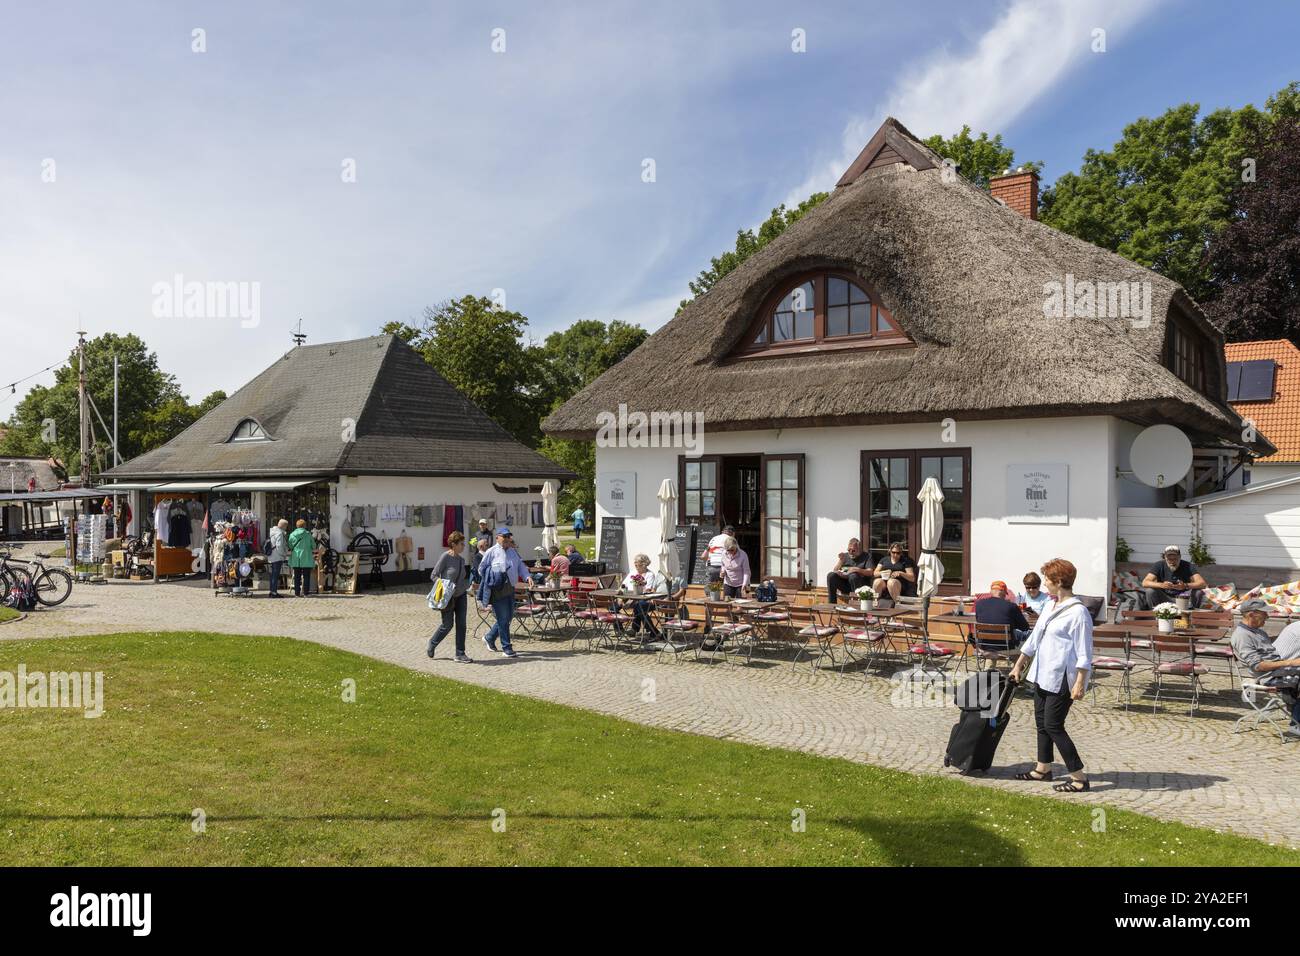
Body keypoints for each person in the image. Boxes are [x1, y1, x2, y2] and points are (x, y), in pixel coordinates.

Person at [1009, 558, 1092, 793]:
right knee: (1041, 724)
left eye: (1047, 579)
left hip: (1062, 678)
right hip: (1042, 674)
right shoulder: (1049, 605)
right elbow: (1034, 639)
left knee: (1054, 726)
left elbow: (1085, 652)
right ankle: (1042, 769)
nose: (1044, 582)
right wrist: (1018, 666)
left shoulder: (1079, 613)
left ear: (1059, 581)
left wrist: (1080, 683)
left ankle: (1079, 778)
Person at [1230, 598, 1300, 735]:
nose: (1267, 616)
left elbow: (1267, 650)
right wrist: (1291, 662)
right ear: (1251, 614)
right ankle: (1296, 722)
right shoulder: (1242, 636)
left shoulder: (1258, 631)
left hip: (1279, 671)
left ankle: (1294, 710)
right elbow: (1258, 666)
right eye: (1264, 613)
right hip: (1268, 677)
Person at [476, 526, 531, 658]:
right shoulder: (492, 551)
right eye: (504, 536)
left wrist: (527, 577)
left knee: (508, 617)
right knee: (503, 618)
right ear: (497, 538)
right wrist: (492, 575)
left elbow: (521, 566)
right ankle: (507, 648)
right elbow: (481, 569)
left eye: (508, 536)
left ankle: (489, 637)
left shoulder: (513, 552)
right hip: (497, 589)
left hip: (510, 588)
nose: (507, 539)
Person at [427, 531, 474, 663]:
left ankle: (460, 653)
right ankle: (433, 642)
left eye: (464, 544)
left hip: (461, 596)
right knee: (447, 625)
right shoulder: (445, 557)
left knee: (462, 625)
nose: (463, 546)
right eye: (461, 544)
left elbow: (462, 578)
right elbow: (434, 575)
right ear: (453, 544)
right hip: (447, 597)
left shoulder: (461, 560)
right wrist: (444, 585)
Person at [618, 553, 669, 642]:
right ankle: (619, 629)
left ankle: (646, 631)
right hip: (627, 597)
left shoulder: (650, 575)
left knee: (639, 606)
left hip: (642, 599)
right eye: (635, 563)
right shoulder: (633, 572)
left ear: (644, 564)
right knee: (613, 606)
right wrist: (620, 597)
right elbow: (623, 585)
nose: (635, 565)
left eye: (637, 563)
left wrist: (630, 600)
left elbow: (646, 591)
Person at [1142, 545, 1208, 610]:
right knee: (1150, 591)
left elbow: (1202, 584)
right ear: (1165, 557)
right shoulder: (1159, 565)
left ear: (1179, 557)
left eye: (1175, 559)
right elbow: (1145, 582)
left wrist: (1185, 585)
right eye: (1169, 559)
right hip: (1164, 597)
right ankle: (1155, 615)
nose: (1172, 562)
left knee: (1198, 592)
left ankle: (1192, 615)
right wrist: (1161, 585)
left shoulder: (1188, 566)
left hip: (1183, 598)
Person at [974, 580, 1031, 648]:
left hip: (984, 646)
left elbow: (979, 620)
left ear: (991, 592)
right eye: (1005, 594)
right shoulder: (1011, 606)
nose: (1005, 596)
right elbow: (1025, 627)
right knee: (1030, 634)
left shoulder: (979, 604)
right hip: (1006, 648)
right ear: (1003, 592)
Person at [826, 538, 873, 604]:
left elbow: (870, 572)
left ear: (859, 549)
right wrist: (841, 561)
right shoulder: (845, 556)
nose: (850, 552)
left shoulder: (867, 556)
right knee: (830, 575)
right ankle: (832, 604)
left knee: (853, 575)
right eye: (849, 550)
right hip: (846, 585)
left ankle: (856, 604)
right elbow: (835, 570)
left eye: (853, 551)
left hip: (859, 586)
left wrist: (856, 569)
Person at [287, 518, 317, 597]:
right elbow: (314, 546)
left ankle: (297, 593)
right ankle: (306, 593)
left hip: (296, 558)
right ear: (304, 526)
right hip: (306, 557)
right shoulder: (308, 534)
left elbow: (290, 546)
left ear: (297, 526)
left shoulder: (292, 534)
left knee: (297, 576)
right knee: (306, 576)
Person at [267, 519, 289, 598]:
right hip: (277, 556)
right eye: (286, 526)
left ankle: (272, 591)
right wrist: (284, 554)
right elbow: (279, 546)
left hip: (272, 556)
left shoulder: (273, 532)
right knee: (275, 575)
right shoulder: (279, 533)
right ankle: (274, 593)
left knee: (273, 575)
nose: (286, 528)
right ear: (283, 526)